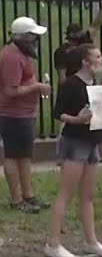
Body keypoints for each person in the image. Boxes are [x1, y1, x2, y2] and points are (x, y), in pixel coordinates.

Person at [44, 44, 102, 257]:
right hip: (75, 140)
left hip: (92, 139)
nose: (101, 60)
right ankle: (53, 242)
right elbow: (59, 113)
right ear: (85, 61)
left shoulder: (97, 84)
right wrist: (77, 119)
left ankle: (91, 240)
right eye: (97, 56)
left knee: (88, 194)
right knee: (66, 191)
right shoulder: (72, 84)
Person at [1, 17, 52, 213]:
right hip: (13, 114)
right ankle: (16, 198)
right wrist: (37, 87)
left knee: (24, 156)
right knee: (14, 156)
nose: (34, 40)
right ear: (22, 37)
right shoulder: (12, 57)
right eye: (32, 36)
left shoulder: (20, 54)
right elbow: (11, 90)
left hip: (23, 114)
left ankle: (27, 194)